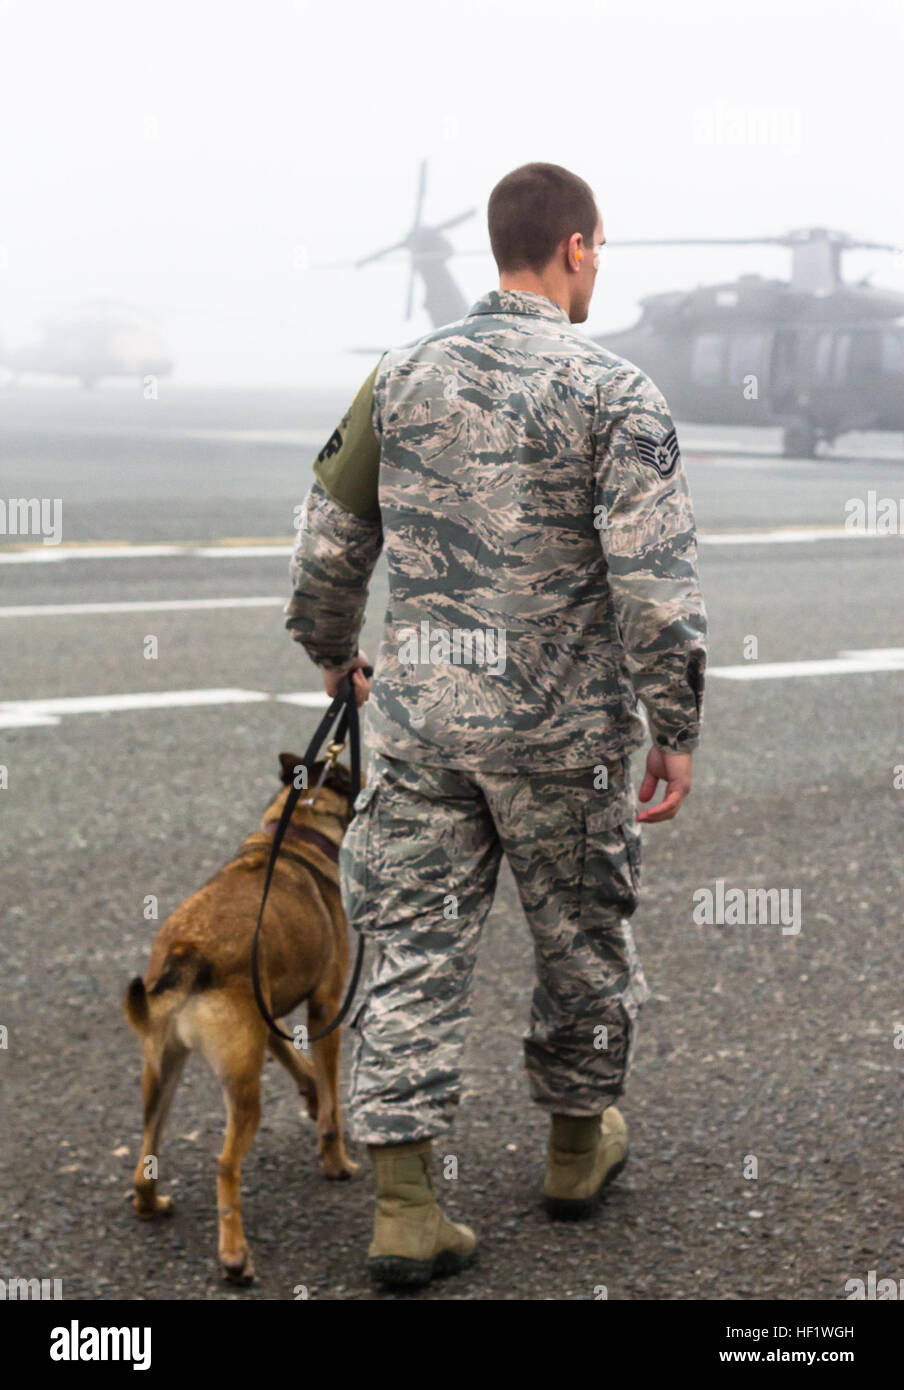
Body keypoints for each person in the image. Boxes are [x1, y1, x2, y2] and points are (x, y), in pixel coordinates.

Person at [285, 161, 707, 1289]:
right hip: (564, 736)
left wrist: (336, 654)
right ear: (574, 248)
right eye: (599, 251)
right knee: (580, 940)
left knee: (414, 948)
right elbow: (654, 588)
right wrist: (673, 722)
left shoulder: (397, 376)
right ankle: (576, 1150)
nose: (597, 269)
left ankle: (406, 1204)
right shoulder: (618, 392)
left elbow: (328, 544)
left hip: (423, 728)